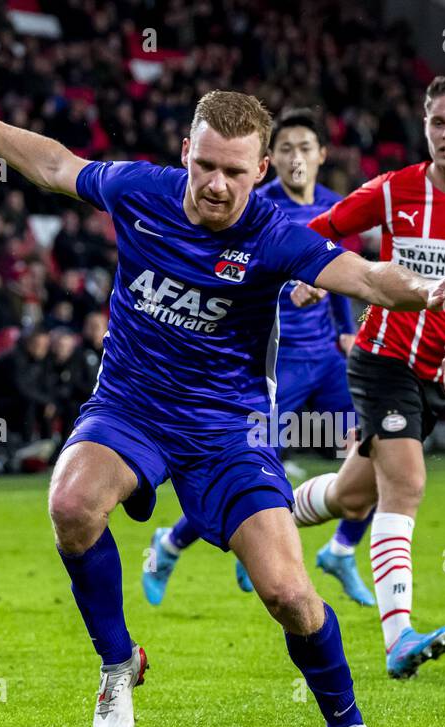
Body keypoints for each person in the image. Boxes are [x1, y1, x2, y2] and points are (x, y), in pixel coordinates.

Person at [0, 81, 445, 727]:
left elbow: (363, 277)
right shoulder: (140, 191)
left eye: (235, 172)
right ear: (186, 152)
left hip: (225, 429)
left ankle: (347, 724)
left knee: (290, 596)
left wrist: (432, 289)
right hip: (131, 407)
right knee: (70, 503)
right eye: (205, 165)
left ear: (260, 171)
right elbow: (56, 166)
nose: (216, 184)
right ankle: (118, 664)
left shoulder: (271, 234)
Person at [292, 76, 445, 678]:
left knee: (351, 494)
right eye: (437, 123)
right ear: (424, 125)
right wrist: (311, 275)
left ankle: (265, 520)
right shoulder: (395, 190)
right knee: (409, 484)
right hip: (381, 358)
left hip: (439, 375)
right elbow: (321, 230)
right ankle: (398, 638)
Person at [142, 108, 375, 609]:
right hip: (271, 364)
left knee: (375, 450)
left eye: (304, 148)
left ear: (321, 156)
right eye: (287, 148)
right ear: (272, 160)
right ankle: (171, 544)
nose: (296, 157)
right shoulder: (253, 203)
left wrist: (347, 333)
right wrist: (289, 286)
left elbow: (336, 271)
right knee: (244, 465)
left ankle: (341, 550)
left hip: (327, 358)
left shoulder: (337, 207)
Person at [0, 325, 56, 442]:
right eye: (38, 345)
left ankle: (47, 444)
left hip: (13, 400)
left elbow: (44, 386)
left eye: (45, 346)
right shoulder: (14, 358)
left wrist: (48, 402)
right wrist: (46, 400)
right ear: (28, 342)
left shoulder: (39, 361)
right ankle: (25, 443)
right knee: (30, 402)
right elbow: (21, 388)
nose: (42, 349)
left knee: (46, 405)